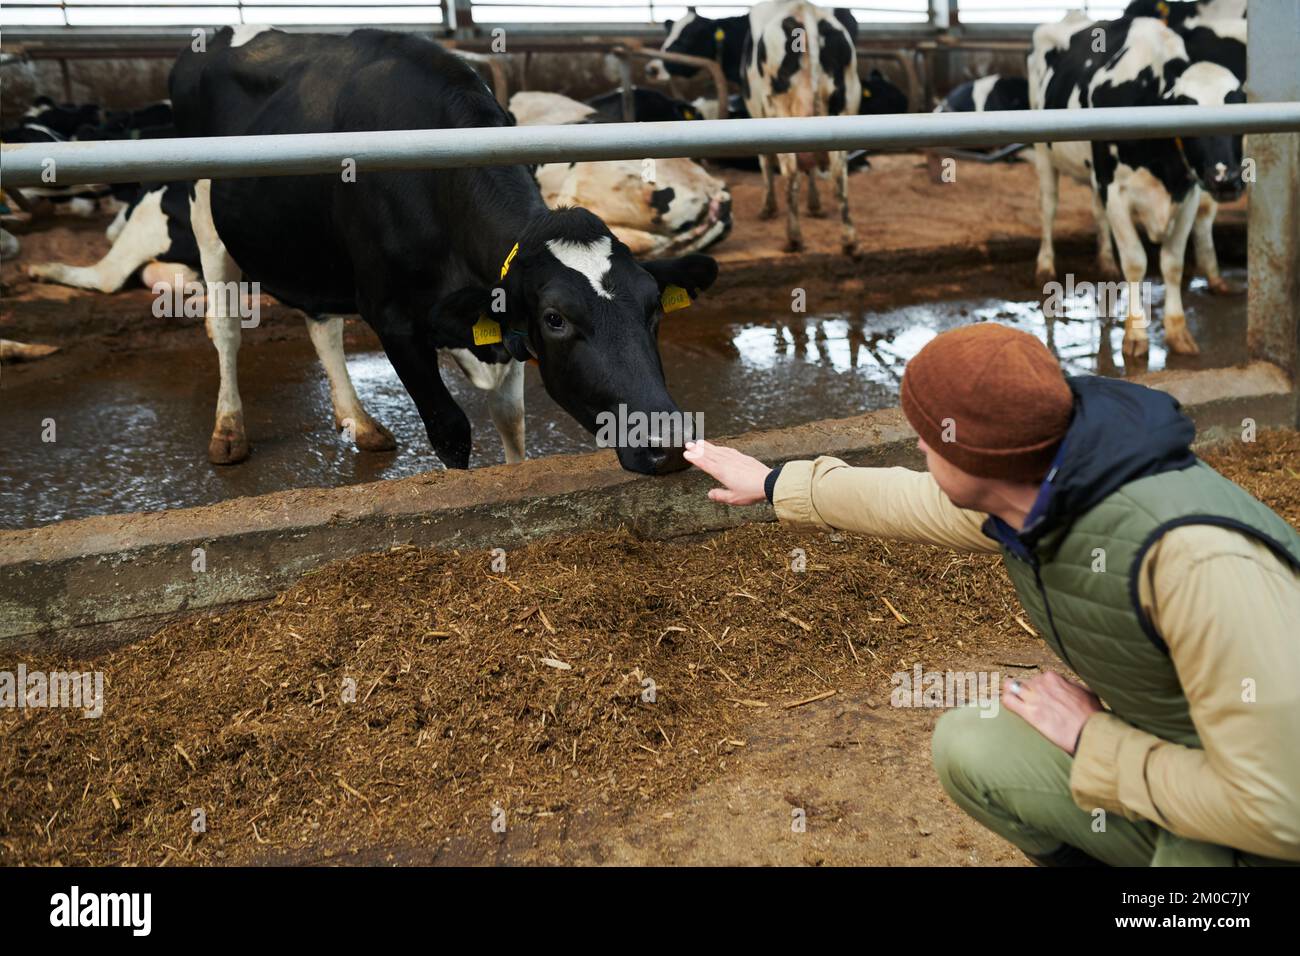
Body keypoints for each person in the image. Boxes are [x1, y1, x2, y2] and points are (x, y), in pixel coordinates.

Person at [684, 323, 1300, 866]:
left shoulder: (1197, 564)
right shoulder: (1040, 490)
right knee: (974, 746)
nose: (921, 447)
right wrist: (773, 482)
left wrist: (1095, 742)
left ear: (978, 459)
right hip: (1186, 763)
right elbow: (904, 498)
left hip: (1265, 817)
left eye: (930, 436)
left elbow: (1283, 811)